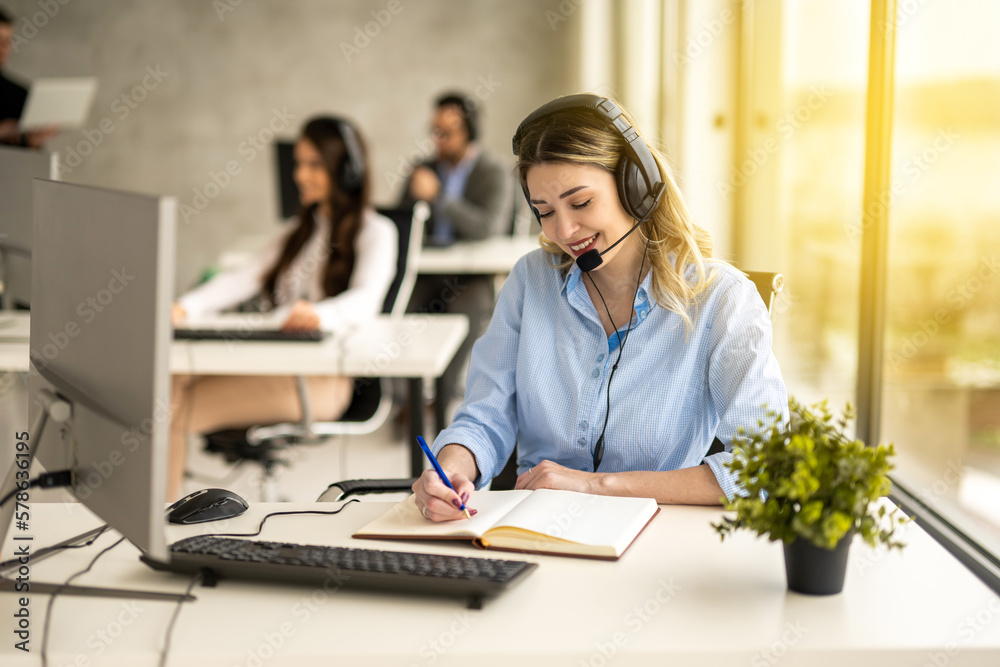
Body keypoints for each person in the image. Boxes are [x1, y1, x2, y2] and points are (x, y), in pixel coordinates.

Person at [413, 94, 787, 521]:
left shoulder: (721, 299)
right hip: (535, 531)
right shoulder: (531, 281)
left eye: (581, 203)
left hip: (656, 541)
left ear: (636, 186)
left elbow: (764, 468)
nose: (564, 231)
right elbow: (484, 415)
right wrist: (452, 469)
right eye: (545, 211)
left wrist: (597, 486)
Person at [170, 116, 397, 501]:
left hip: (322, 381)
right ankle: (154, 515)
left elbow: (366, 299)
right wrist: (184, 306)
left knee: (165, 414)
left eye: (313, 165)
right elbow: (243, 276)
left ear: (345, 170)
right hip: (276, 361)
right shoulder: (301, 232)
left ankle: (159, 521)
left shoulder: (376, 232)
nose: (300, 175)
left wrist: (321, 315)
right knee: (169, 376)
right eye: (298, 163)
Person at [397, 91, 512, 413]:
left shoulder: (494, 171)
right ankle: (409, 400)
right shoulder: (423, 168)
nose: (438, 140)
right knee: (399, 306)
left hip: (471, 275)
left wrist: (440, 197)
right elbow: (400, 222)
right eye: (434, 131)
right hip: (427, 271)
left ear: (469, 132)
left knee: (465, 315)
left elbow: (488, 227)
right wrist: (415, 195)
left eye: (446, 133)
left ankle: (443, 400)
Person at [0, 6, 56, 147]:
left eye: (7, 42)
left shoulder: (20, 94)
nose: (4, 48)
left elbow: (28, 153)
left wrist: (33, 141)